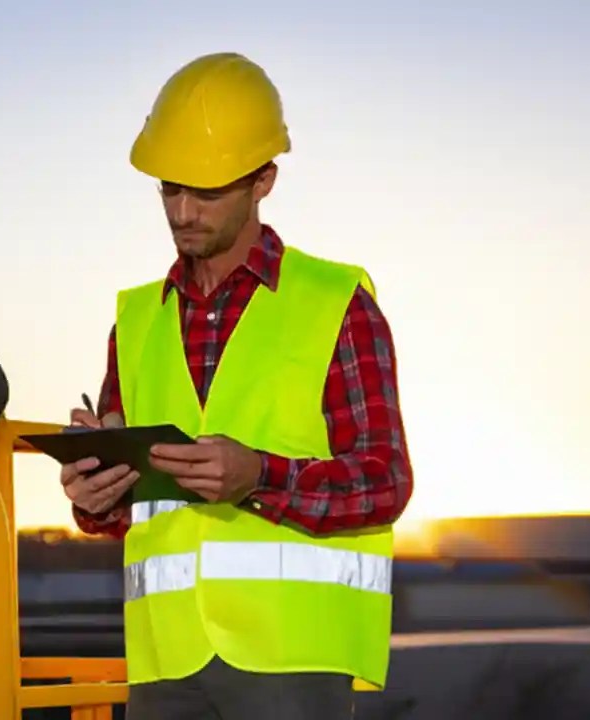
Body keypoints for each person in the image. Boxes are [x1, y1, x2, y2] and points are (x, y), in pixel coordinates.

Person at [58, 52, 414, 720]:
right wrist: (93, 491)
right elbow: (120, 511)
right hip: (166, 661)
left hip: (291, 662)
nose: (184, 212)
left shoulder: (335, 303)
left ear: (263, 181)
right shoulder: (137, 321)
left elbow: (385, 481)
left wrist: (257, 477)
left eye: (207, 191)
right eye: (169, 189)